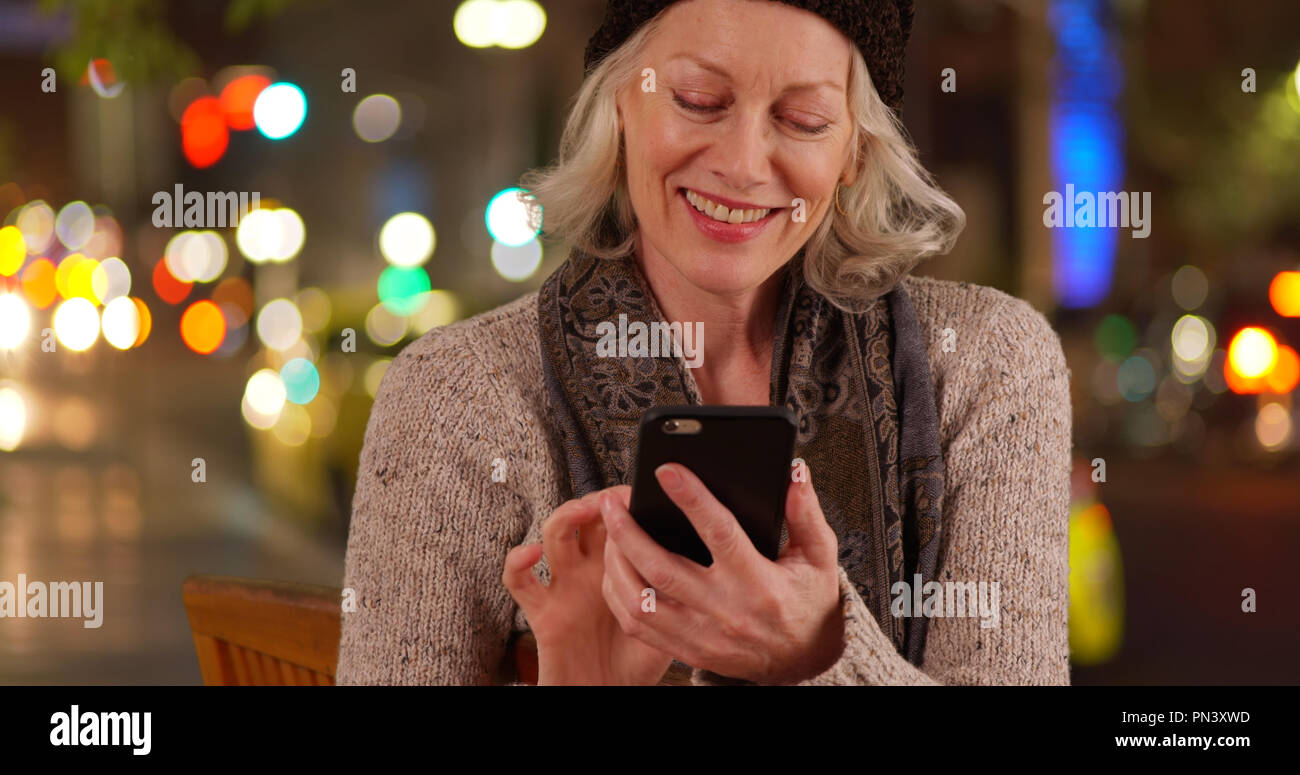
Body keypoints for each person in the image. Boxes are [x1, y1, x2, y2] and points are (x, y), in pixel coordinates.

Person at [336, 0, 1072, 685]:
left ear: (854, 149)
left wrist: (820, 654)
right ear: (618, 100)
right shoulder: (455, 393)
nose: (745, 164)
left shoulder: (987, 362)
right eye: (698, 102)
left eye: (806, 119)